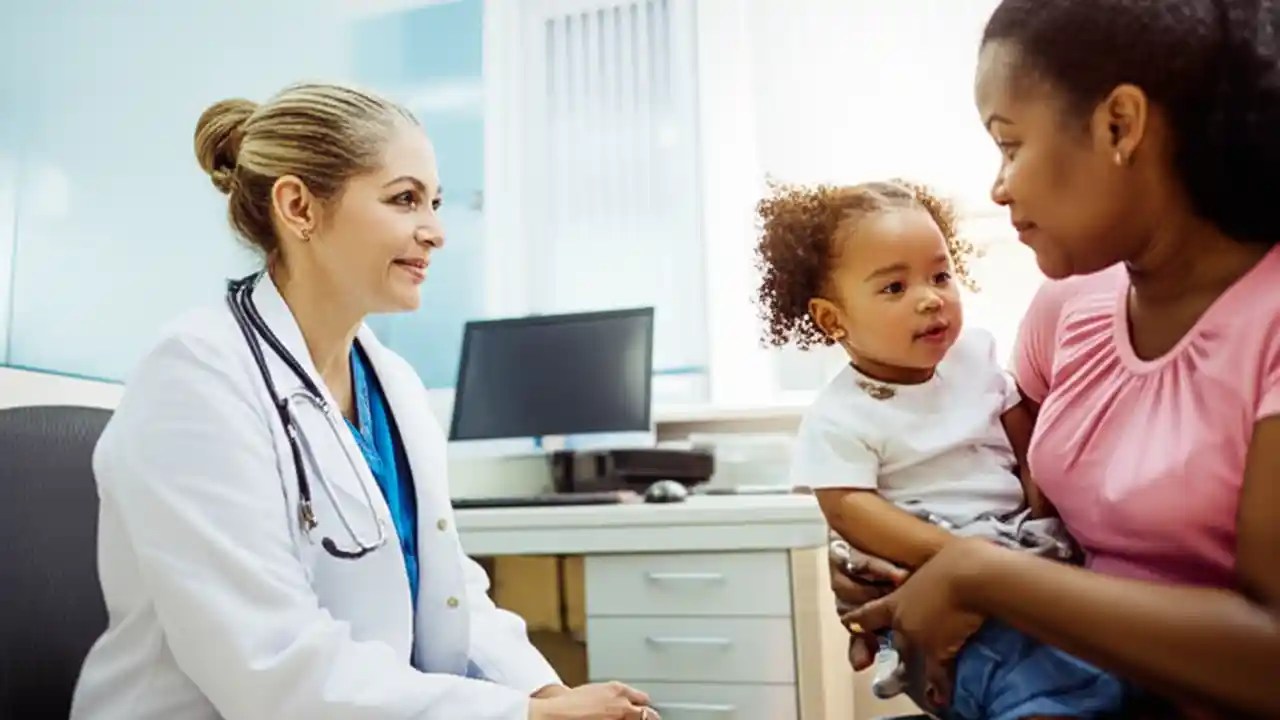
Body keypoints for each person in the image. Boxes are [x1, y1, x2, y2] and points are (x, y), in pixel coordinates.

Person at [69, 82, 658, 720]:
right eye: (404, 199)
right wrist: (527, 717)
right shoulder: (195, 376)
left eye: (434, 202)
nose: (434, 231)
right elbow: (270, 664)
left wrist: (548, 695)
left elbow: (446, 590)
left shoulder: (393, 383)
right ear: (299, 208)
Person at [831, 0, 1280, 718]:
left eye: (1009, 145)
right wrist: (894, 568)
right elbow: (1006, 504)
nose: (998, 186)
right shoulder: (1068, 305)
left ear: (1119, 125)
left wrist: (979, 576)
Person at [755, 179, 1122, 719]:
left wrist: (1038, 508)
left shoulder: (975, 356)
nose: (931, 297)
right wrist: (951, 557)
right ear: (833, 319)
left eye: (940, 275)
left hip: (1018, 541)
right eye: (894, 288)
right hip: (930, 554)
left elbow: (1024, 437)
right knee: (1002, 670)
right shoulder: (839, 414)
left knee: (1083, 659)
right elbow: (849, 506)